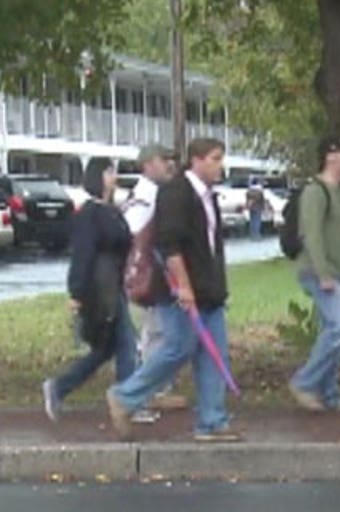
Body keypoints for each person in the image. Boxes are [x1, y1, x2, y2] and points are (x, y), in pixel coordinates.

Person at [106, 138, 242, 442]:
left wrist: (213, 287)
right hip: (179, 292)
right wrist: (184, 287)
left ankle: (212, 420)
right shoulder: (176, 194)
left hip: (208, 292)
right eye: (215, 159)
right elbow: (169, 245)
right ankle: (125, 397)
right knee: (177, 347)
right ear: (196, 160)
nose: (220, 165)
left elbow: (208, 247)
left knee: (213, 352)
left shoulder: (206, 197)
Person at [42, 158, 136, 422]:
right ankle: (128, 401)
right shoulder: (90, 214)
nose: (114, 176)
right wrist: (77, 292)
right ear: (98, 176)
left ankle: (60, 387)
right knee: (127, 343)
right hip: (100, 288)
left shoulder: (111, 211)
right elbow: (82, 254)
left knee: (108, 349)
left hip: (113, 285)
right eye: (109, 171)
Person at [288, 135, 340, 413]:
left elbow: (338, 238)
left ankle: (329, 394)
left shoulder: (337, 191)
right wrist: (324, 274)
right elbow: (312, 235)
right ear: (332, 157)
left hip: (333, 272)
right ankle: (304, 383)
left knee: (330, 330)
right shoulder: (315, 192)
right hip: (317, 272)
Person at [122, 145, 186, 423]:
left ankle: (155, 389)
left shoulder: (154, 195)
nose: (169, 165)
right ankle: (137, 396)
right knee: (149, 338)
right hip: (146, 279)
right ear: (148, 164)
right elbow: (134, 240)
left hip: (155, 279)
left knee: (158, 335)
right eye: (164, 160)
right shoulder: (144, 199)